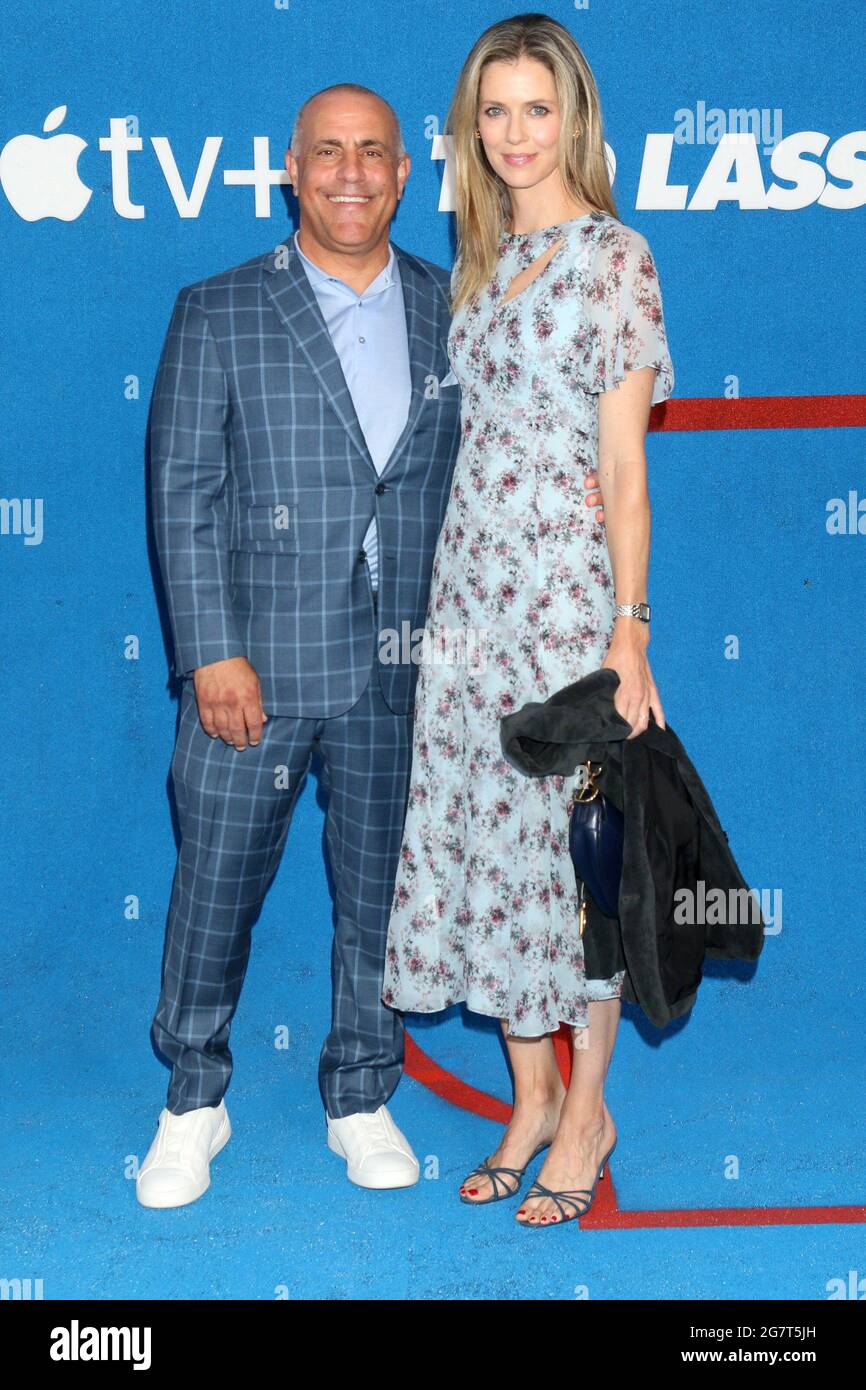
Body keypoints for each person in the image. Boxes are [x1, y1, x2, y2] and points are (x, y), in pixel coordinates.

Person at [138, 75, 614, 1208]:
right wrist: (209, 649)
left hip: (411, 672)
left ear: (408, 175)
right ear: (289, 172)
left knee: (380, 902)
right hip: (250, 667)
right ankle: (191, 1100)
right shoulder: (217, 308)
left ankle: (360, 1092)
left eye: (373, 153)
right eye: (326, 153)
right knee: (213, 889)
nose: (350, 172)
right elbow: (179, 491)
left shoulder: (455, 302)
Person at [382, 13, 675, 1228]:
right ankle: (529, 1096)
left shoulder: (616, 260)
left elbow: (623, 471)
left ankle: (589, 1103)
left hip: (563, 602)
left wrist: (628, 628)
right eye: (490, 112)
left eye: (533, 110)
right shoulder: (482, 265)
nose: (511, 135)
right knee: (488, 855)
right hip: (468, 603)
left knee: (576, 865)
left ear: (574, 121)